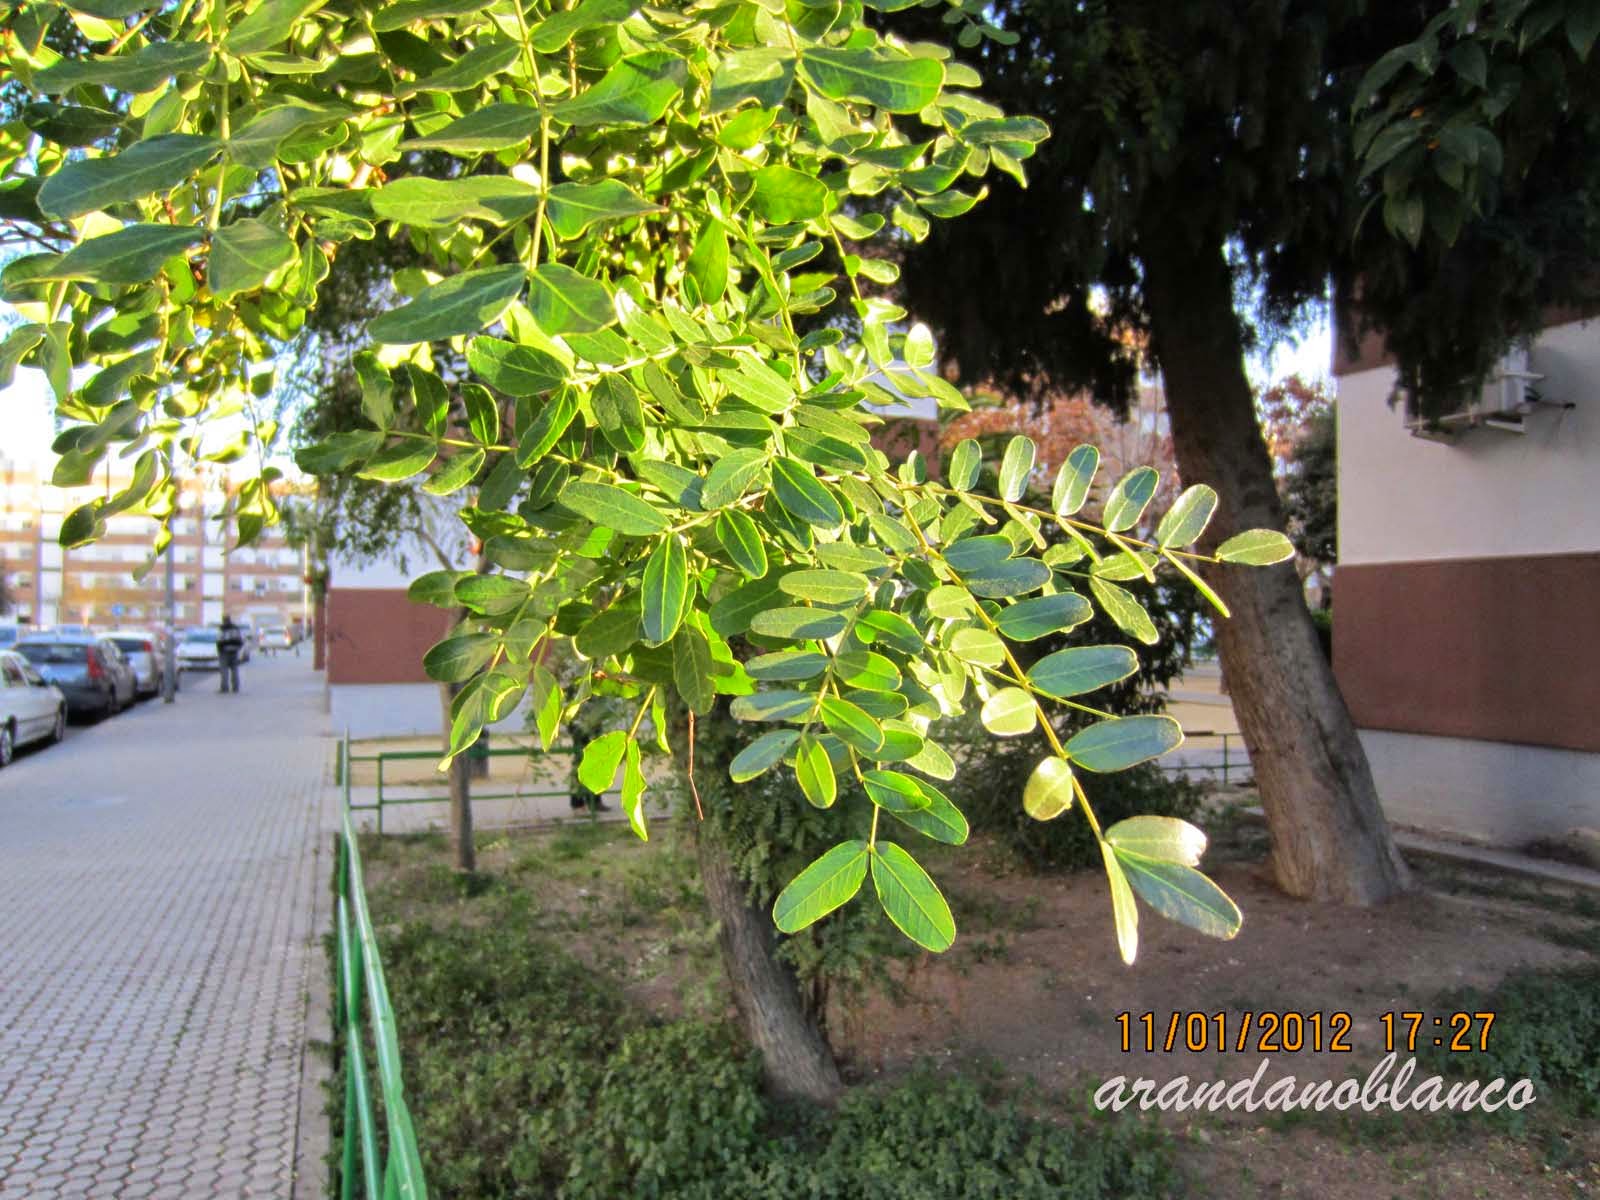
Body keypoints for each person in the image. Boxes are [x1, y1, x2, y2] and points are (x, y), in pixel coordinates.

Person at [216, 616, 245, 694]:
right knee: (235, 670)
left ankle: (224, 688)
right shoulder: (236, 629)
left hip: (224, 651)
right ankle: (235, 687)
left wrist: (219, 650)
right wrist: (238, 648)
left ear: (224, 621)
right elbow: (241, 640)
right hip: (234, 651)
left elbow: (219, 640)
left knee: (224, 670)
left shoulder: (222, 629)